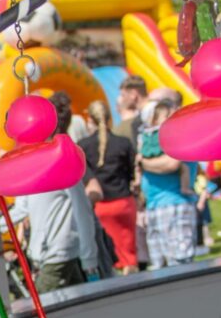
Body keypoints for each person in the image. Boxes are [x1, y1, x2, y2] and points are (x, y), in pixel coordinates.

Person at [136, 97, 198, 269]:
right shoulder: (153, 138)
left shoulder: (180, 136)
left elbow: (172, 163)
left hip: (175, 205)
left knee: (180, 264)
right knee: (159, 266)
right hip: (155, 206)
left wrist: (143, 163)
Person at [80, 99, 138, 274]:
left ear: (90, 119)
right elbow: (131, 172)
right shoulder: (124, 143)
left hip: (101, 205)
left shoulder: (83, 146)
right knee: (129, 251)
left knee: (110, 253)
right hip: (124, 202)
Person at [113, 75, 149, 140]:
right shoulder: (143, 113)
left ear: (133, 94)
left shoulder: (150, 112)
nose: (122, 100)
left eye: (123, 95)